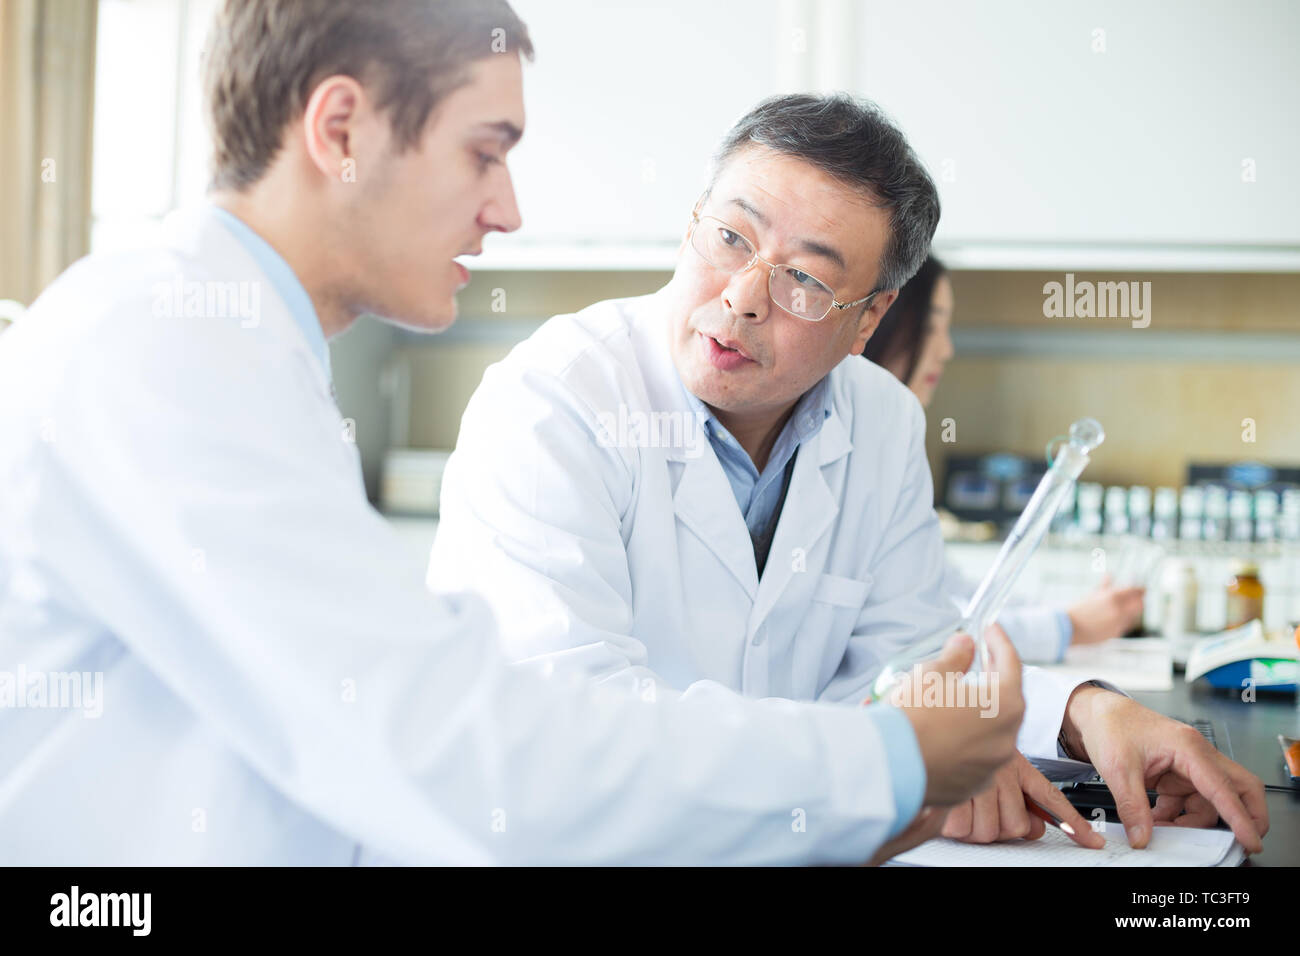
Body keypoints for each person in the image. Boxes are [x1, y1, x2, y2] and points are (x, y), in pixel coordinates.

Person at [0, 0, 1025, 867]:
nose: (508, 208)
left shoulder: (237, 344)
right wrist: (890, 763)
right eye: (484, 153)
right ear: (342, 129)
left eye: (806, 275)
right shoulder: (171, 345)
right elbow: (464, 742)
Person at [431, 93, 1269, 852]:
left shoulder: (881, 419)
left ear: (868, 318)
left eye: (805, 278)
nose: (745, 297)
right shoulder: (552, 403)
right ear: (692, 222)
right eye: (730, 236)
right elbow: (579, 728)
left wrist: (1086, 711)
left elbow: (904, 668)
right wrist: (899, 765)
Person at [863, 254, 1146, 663]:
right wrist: (1070, 626)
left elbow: (954, 591)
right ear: (880, 322)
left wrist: (1070, 611)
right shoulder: (856, 452)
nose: (947, 349)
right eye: (931, 326)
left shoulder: (892, 443)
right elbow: (927, 625)